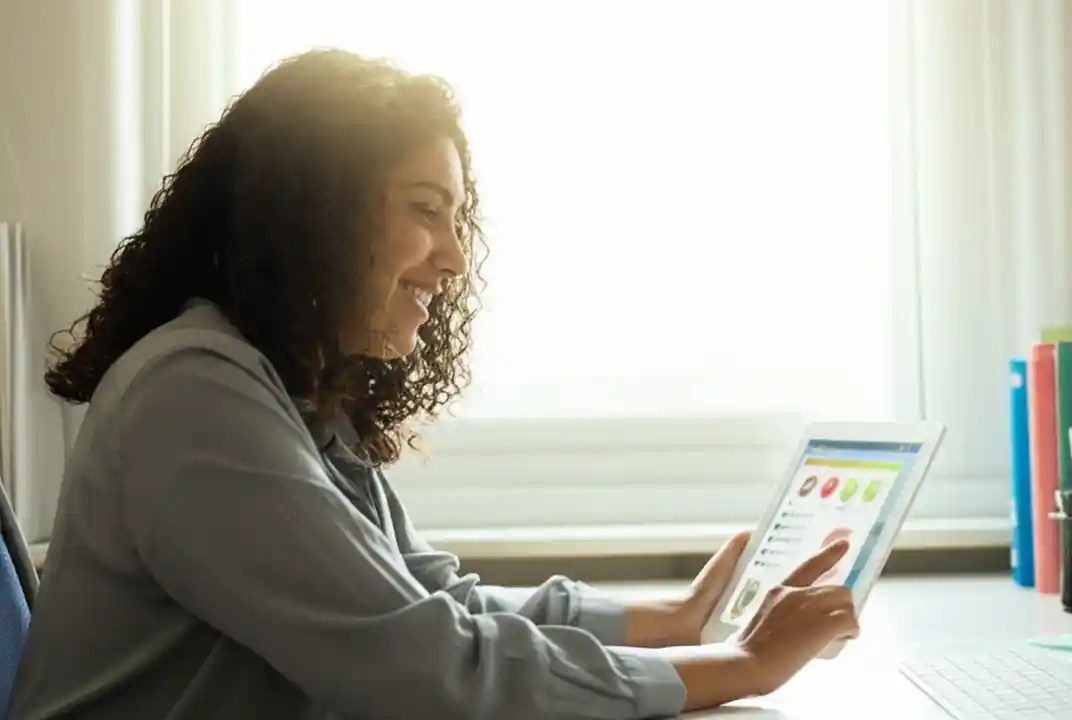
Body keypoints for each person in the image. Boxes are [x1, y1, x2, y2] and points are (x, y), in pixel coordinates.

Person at [6, 49, 858, 720]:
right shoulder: (192, 395)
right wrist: (736, 666)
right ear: (318, 212)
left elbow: (429, 600)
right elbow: (425, 667)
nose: (453, 258)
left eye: (455, 217)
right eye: (423, 209)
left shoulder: (287, 391)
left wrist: (674, 621)